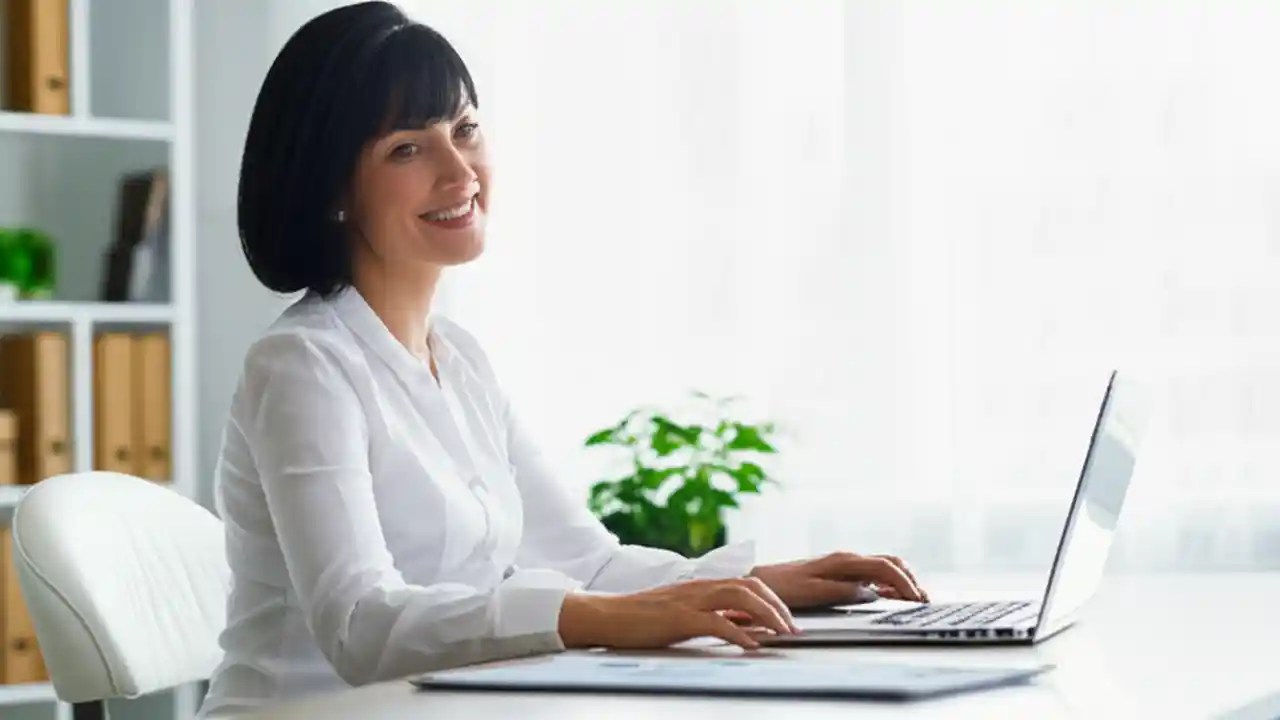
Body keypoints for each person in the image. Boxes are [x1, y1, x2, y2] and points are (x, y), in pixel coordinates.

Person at [198, 3, 929, 716]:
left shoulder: (460, 361)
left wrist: (762, 579)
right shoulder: (301, 366)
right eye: (407, 149)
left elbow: (588, 562)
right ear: (332, 189)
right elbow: (361, 624)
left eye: (465, 129)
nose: (460, 171)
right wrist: (603, 618)